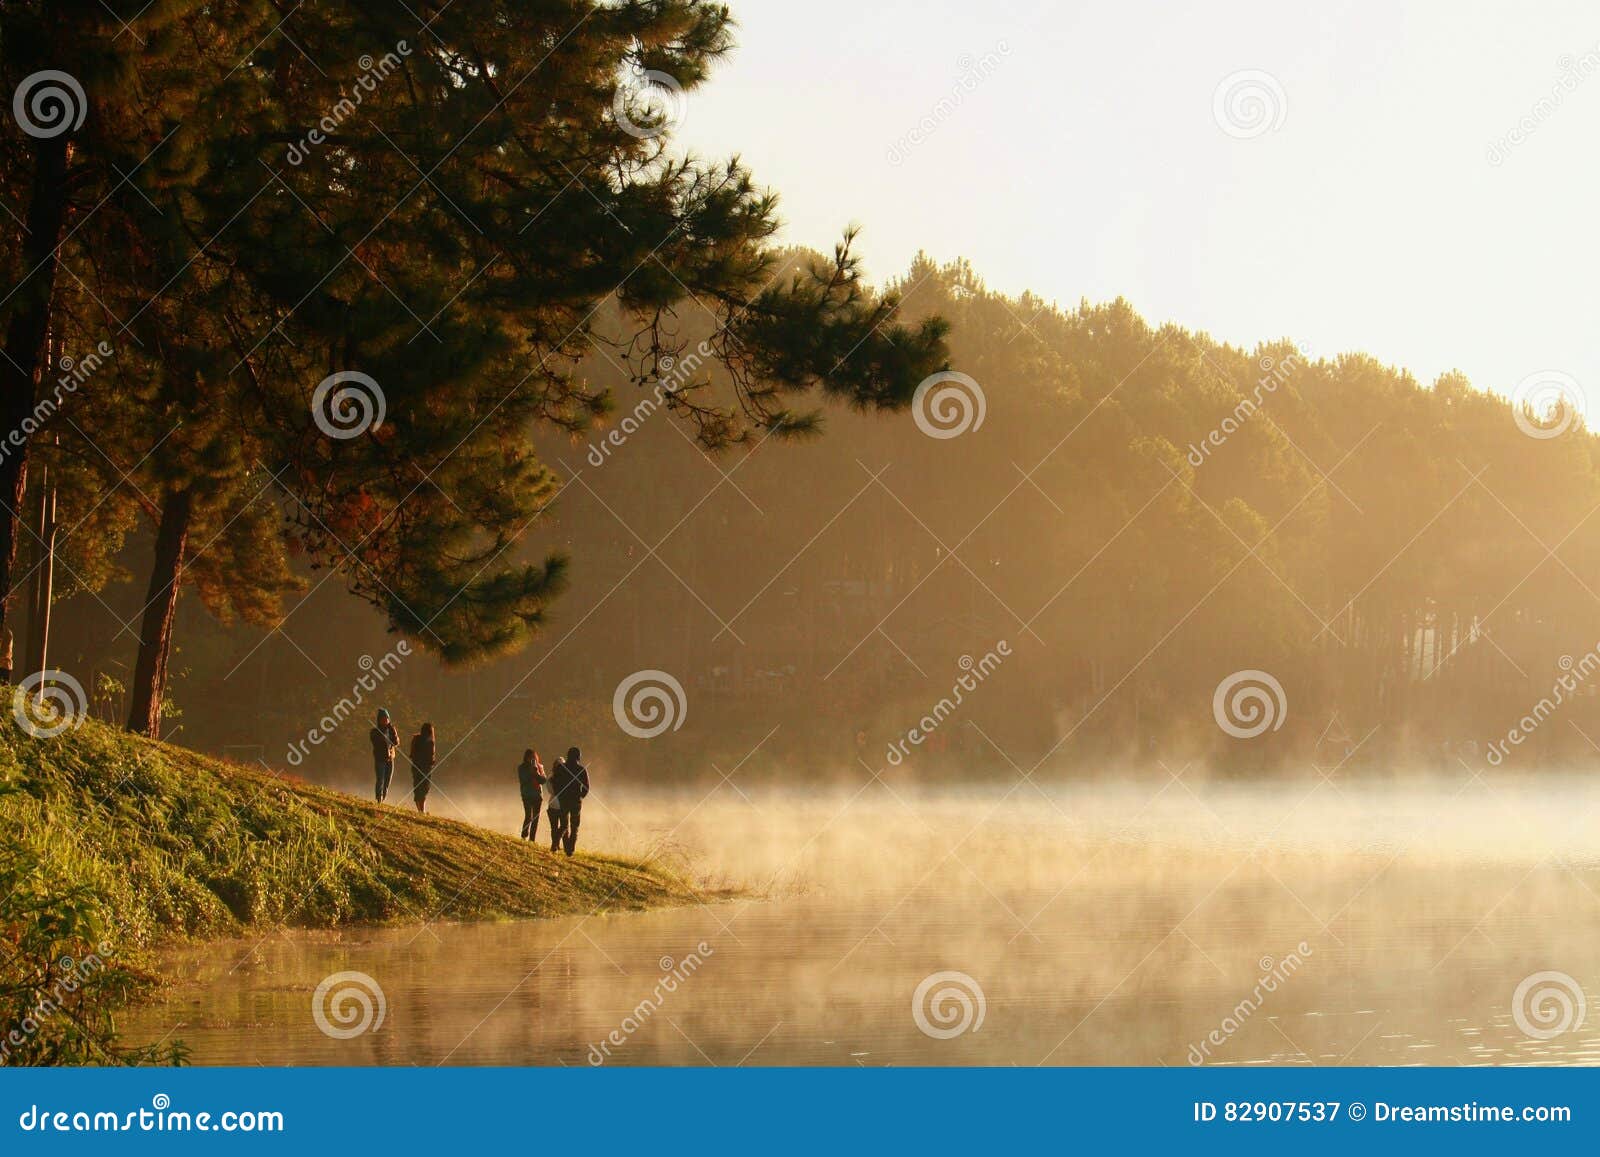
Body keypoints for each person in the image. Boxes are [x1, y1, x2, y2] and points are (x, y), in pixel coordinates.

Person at [549, 746, 590, 856]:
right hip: (576, 801)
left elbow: (554, 781)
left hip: (563, 800)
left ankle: (556, 843)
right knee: (574, 826)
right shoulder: (581, 769)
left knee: (563, 825)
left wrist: (559, 794)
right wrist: (581, 796)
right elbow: (586, 787)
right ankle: (570, 849)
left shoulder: (561, 768)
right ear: (578, 756)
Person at [370, 709, 399, 802]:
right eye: (382, 719)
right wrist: (381, 737)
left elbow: (396, 742)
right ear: (379, 720)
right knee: (380, 779)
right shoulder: (375, 731)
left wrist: (393, 732)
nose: (385, 720)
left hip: (390, 759)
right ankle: (379, 798)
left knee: (387, 780)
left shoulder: (391, 730)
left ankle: (383, 797)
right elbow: (375, 742)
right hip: (380, 759)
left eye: (386, 718)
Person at [517, 749, 546, 840]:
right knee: (528, 816)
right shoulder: (522, 768)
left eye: (534, 757)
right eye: (530, 757)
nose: (532, 759)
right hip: (527, 795)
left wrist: (536, 773)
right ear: (526, 758)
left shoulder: (539, 767)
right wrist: (531, 773)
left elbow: (543, 780)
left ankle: (532, 839)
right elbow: (523, 780)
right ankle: (524, 835)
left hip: (537, 795)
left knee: (536, 818)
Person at [409, 722, 436, 813]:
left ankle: (421, 810)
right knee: (422, 789)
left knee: (422, 789)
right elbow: (413, 754)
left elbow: (431, 756)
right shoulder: (421, 740)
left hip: (424, 768)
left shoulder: (429, 742)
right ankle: (421, 810)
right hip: (421, 768)